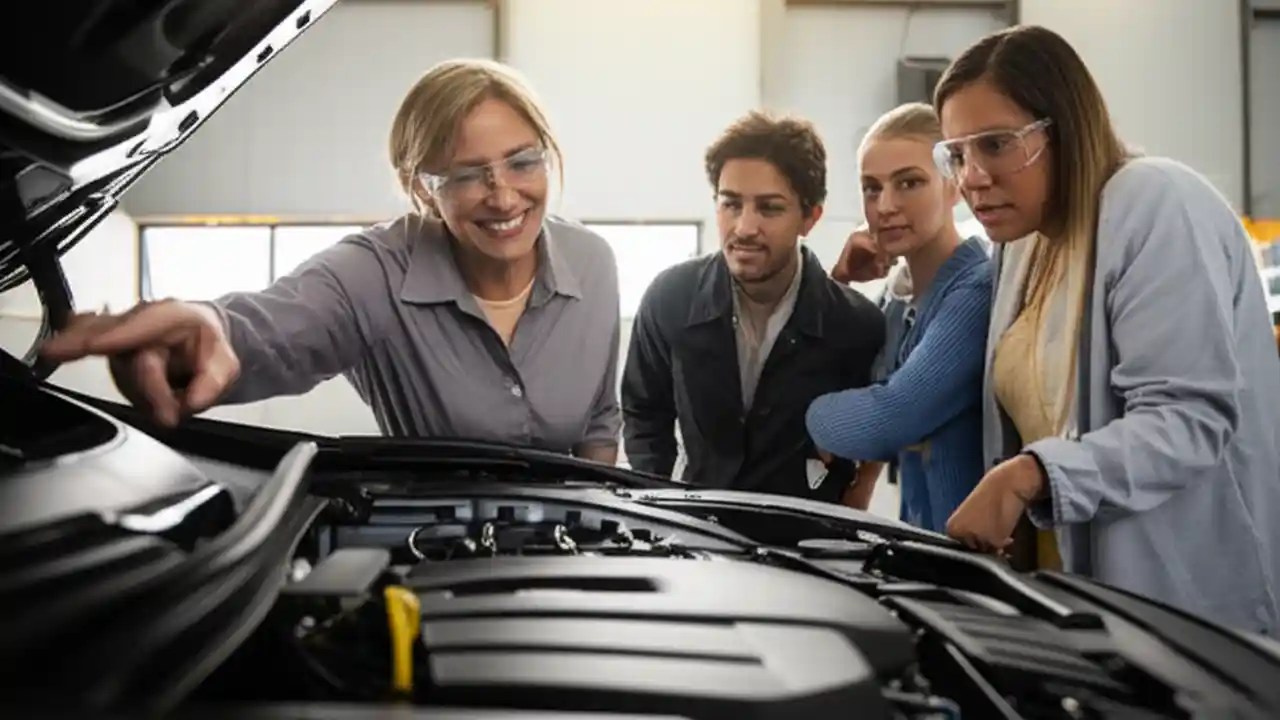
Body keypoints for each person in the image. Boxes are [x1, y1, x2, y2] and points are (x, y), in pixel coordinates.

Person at [39, 58, 623, 464]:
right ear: (420, 188)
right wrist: (204, 332)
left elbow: (599, 420)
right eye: (467, 174)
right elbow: (270, 331)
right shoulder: (374, 272)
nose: (502, 196)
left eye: (523, 162)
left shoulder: (592, 262)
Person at [931, 24, 1280, 633]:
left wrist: (1030, 476)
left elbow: (1187, 420)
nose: (971, 177)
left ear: (1062, 127)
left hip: (1181, 600)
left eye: (995, 144)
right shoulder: (1021, 246)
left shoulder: (1155, 203)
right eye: (957, 154)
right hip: (1068, 596)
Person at [621, 110, 885, 502]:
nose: (744, 227)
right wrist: (661, 503)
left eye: (769, 208)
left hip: (807, 544)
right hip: (696, 537)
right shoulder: (670, 298)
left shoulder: (856, 325)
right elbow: (644, 413)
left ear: (810, 217)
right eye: (730, 204)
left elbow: (875, 436)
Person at [805, 102, 992, 532]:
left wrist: (803, 417)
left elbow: (886, 419)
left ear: (955, 186)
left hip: (971, 567)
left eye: (909, 183)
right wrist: (839, 282)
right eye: (872, 188)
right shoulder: (897, 299)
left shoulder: (975, 289)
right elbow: (834, 374)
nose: (885, 205)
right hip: (922, 548)